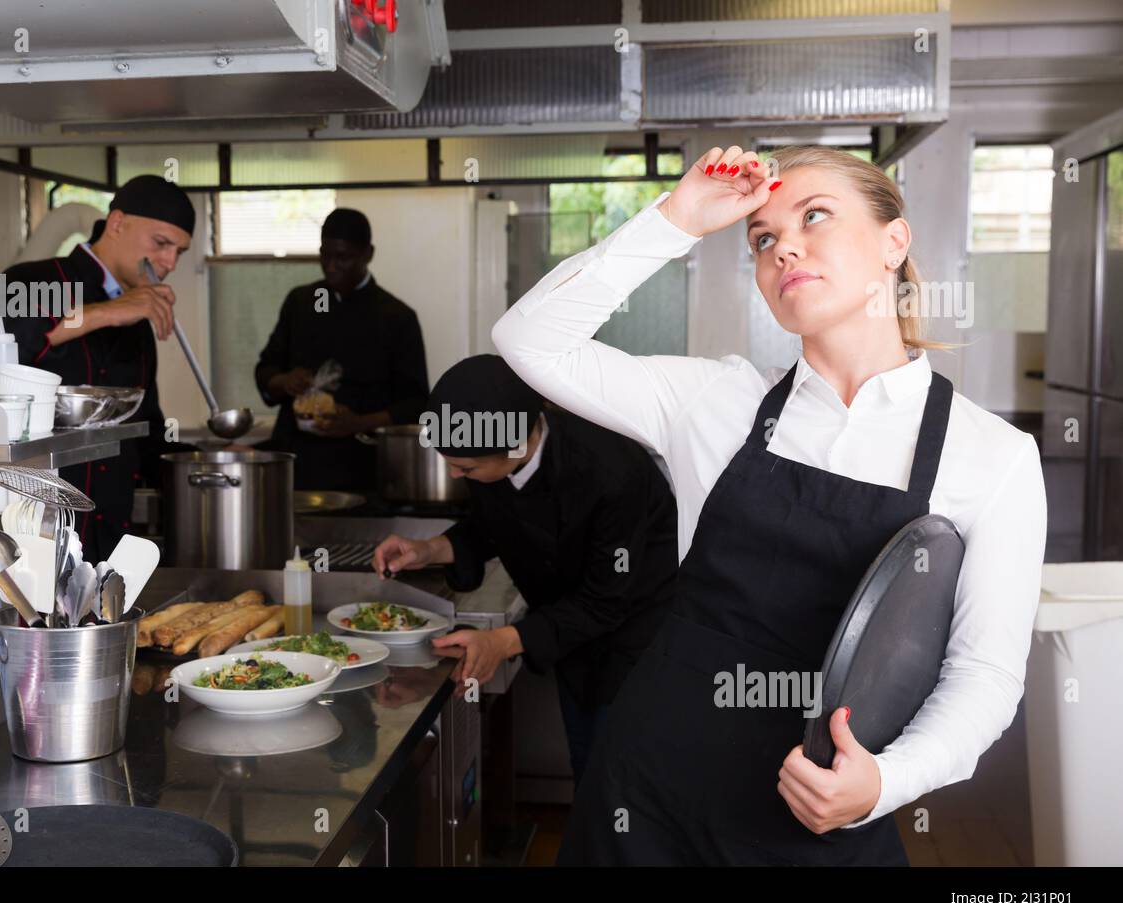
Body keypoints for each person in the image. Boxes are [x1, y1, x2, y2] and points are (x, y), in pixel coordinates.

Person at [492, 145, 1047, 865]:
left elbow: (985, 675)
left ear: (894, 240)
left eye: (815, 216)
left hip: (820, 815)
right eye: (762, 240)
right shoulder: (716, 403)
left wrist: (883, 783)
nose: (785, 245)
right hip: (648, 794)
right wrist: (678, 218)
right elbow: (528, 341)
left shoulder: (992, 456)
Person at [370, 355, 679, 782]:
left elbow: (606, 601)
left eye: (466, 468)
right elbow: (494, 523)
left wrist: (502, 642)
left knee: (624, 787)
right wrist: (429, 550)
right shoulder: (500, 454)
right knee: (590, 775)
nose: (457, 475)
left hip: (639, 647)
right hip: (576, 638)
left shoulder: (610, 470)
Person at [0, 175, 194, 563]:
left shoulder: (138, 319)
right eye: (161, 244)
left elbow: (145, 432)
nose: (169, 263)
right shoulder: (41, 279)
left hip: (110, 541)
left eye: (179, 251)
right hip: (30, 535)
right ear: (117, 224)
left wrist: (208, 460)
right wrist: (102, 314)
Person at [254, 208, 428, 491]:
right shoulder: (300, 302)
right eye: (325, 255)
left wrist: (358, 422)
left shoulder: (396, 317)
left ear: (368, 254)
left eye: (343, 257)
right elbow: (265, 371)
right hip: (295, 465)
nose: (331, 266)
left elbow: (416, 403)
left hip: (360, 466)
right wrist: (284, 382)